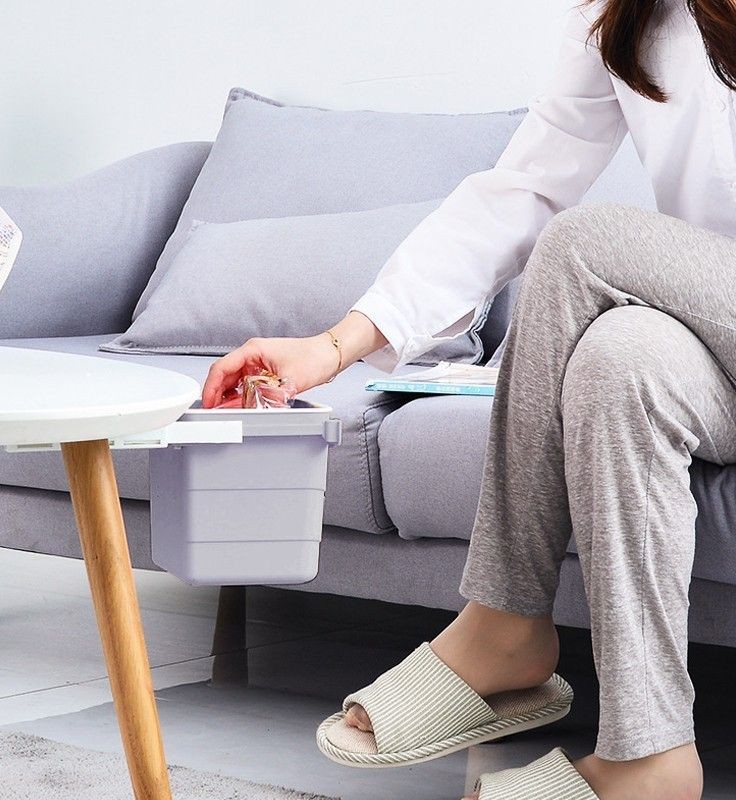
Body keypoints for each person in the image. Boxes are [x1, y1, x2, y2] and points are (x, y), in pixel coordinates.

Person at [202, 0, 736, 797]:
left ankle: (504, 619)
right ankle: (649, 753)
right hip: (716, 343)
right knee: (620, 357)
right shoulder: (631, 13)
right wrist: (333, 345)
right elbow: (521, 189)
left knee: (584, 244)